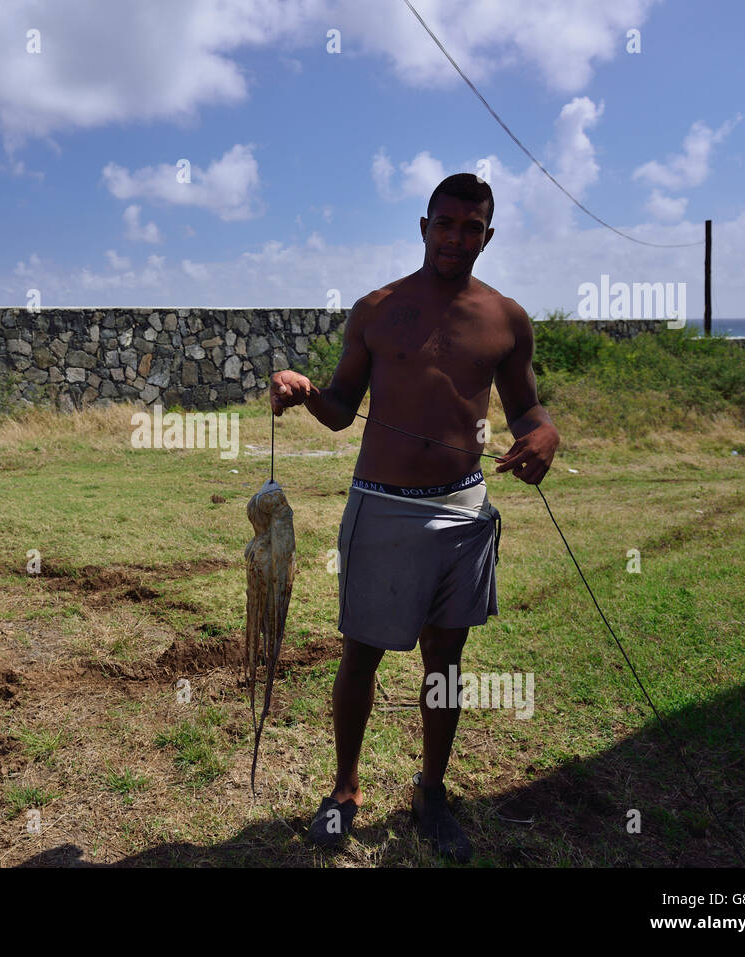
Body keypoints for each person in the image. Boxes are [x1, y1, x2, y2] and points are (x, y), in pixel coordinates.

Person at [270, 173, 559, 862]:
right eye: (445, 223)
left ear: (488, 236)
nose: (456, 236)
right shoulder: (377, 309)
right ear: (422, 225)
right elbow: (342, 406)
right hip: (382, 504)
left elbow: (526, 407)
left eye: (470, 227)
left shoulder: (506, 319)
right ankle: (344, 790)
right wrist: (306, 391)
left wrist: (545, 434)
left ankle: (431, 791)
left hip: (462, 510)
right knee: (361, 654)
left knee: (445, 661)